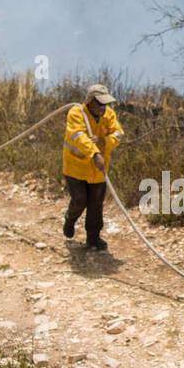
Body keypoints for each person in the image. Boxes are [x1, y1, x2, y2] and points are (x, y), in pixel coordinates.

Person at [62, 83, 123, 250]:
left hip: (98, 171)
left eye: (106, 103)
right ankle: (70, 219)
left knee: (96, 203)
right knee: (80, 200)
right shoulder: (76, 113)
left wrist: (104, 141)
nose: (103, 107)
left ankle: (93, 238)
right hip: (76, 167)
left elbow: (118, 134)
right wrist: (95, 153)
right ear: (90, 101)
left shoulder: (109, 114)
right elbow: (78, 136)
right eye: (100, 103)